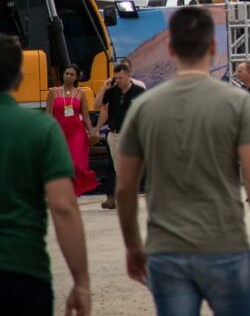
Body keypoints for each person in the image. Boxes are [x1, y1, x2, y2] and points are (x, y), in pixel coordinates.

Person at [116, 6, 250, 314]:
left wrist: (132, 245)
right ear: (214, 46)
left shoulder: (144, 108)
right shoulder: (238, 104)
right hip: (225, 245)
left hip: (166, 250)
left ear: (170, 47)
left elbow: (125, 188)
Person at [0, 35, 91, 316]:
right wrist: (81, 283)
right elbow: (63, 207)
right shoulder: (41, 130)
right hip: (22, 270)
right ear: (20, 78)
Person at [94, 59, 146, 209]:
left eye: (120, 78)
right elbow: (97, 106)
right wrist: (104, 88)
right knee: (118, 168)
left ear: (129, 75)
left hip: (131, 135)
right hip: (114, 135)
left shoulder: (139, 91)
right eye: (115, 78)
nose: (118, 81)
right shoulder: (112, 91)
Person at [47, 64, 98, 195]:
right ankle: (64, 189)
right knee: (61, 163)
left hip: (77, 131)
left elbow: (85, 116)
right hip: (59, 131)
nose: (68, 76)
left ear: (76, 77)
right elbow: (48, 114)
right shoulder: (53, 92)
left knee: (77, 163)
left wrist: (91, 131)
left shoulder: (80, 93)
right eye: (66, 73)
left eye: (71, 74)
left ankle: (76, 189)